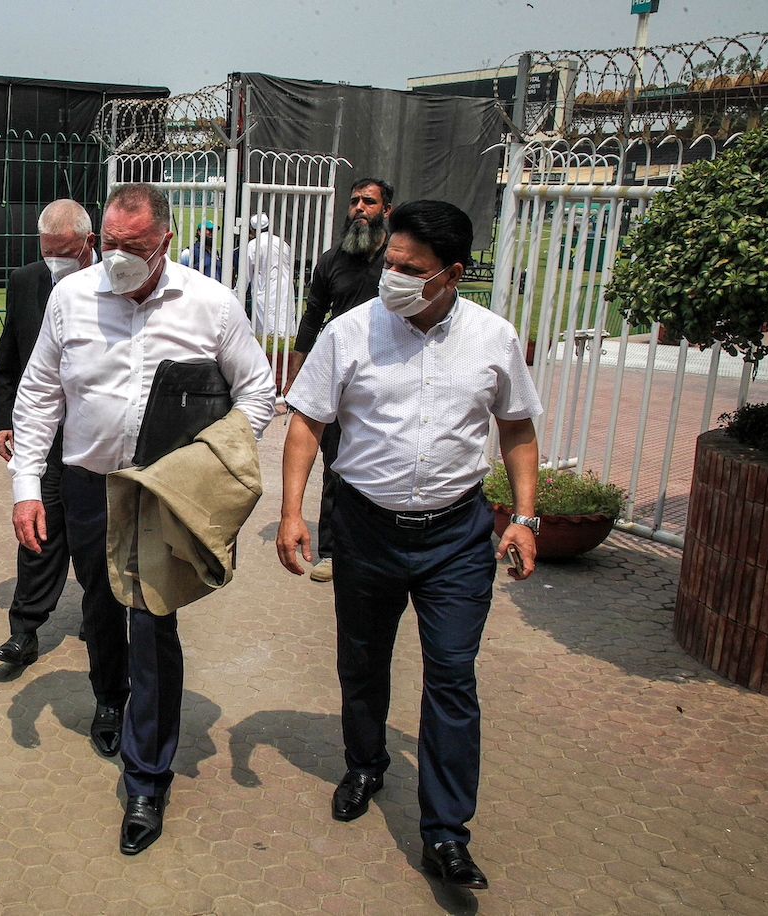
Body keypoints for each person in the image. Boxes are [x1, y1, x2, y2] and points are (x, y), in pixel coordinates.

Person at [277, 199, 542, 891]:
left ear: (452, 274)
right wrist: (292, 512)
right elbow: (306, 422)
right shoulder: (350, 332)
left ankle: (447, 833)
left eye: (409, 269)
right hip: (366, 528)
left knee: (453, 676)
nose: (391, 277)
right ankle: (365, 764)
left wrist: (526, 516)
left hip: (456, 536)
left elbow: (515, 427)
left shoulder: (492, 338)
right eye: (389, 263)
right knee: (362, 663)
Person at [10, 183, 275, 855]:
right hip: (90, 482)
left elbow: (259, 390)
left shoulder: (210, 304)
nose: (120, 258)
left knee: (153, 619)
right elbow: (39, 391)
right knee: (99, 597)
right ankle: (108, 695)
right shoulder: (71, 298)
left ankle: (147, 778)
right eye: (111, 245)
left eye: (135, 246)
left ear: (166, 241)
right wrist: (25, 487)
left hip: (164, 491)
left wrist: (217, 469)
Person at [0, 199, 97, 668]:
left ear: (88, 245)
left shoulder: (111, 284)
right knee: (37, 529)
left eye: (64, 251)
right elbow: (8, 360)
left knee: (96, 536)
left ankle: (100, 618)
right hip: (43, 435)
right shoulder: (26, 282)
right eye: (47, 249)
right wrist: (2, 420)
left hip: (96, 440)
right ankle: (25, 630)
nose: (54, 260)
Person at [282, 177, 394, 583]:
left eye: (369, 201)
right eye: (354, 202)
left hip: (387, 380)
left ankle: (376, 547)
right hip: (338, 380)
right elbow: (312, 318)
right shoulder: (332, 261)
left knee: (382, 459)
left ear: (387, 210)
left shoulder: (395, 263)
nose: (360, 209)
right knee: (334, 464)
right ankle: (330, 550)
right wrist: (295, 378)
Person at [244, 213, 297, 339]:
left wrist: (236, 293)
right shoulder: (282, 243)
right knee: (285, 330)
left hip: (265, 292)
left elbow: (245, 275)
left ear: (252, 230)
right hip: (285, 290)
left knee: (268, 333)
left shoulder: (253, 245)